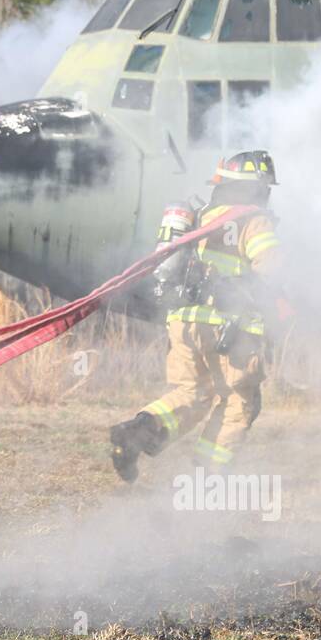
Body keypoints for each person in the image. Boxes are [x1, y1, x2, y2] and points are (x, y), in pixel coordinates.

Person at [110, 150, 286, 481]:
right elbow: (271, 270)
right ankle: (207, 478)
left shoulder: (201, 216)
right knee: (240, 401)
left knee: (193, 393)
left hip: (185, 322)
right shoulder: (254, 219)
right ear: (257, 188)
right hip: (232, 327)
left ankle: (134, 433)